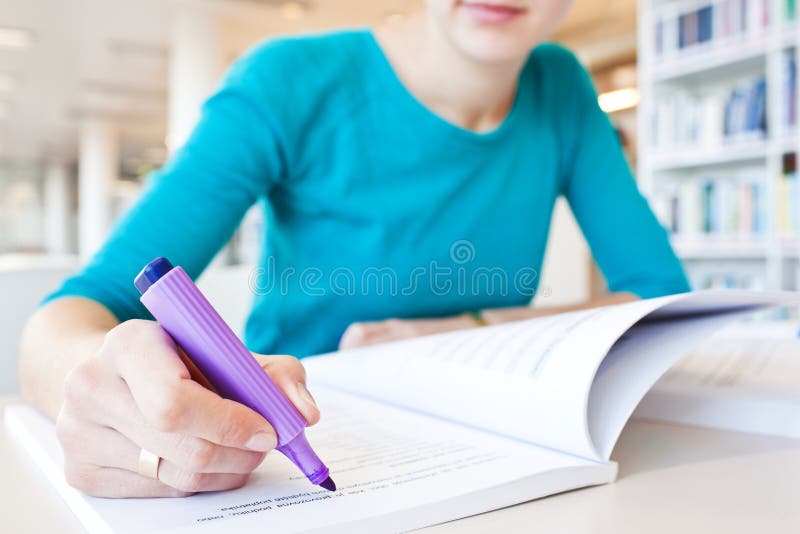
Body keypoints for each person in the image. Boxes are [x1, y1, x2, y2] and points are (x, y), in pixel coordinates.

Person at [18, 0, 689, 498]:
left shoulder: (561, 87)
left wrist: (466, 327)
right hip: (296, 443)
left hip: (489, 440)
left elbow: (661, 294)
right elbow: (74, 314)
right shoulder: (288, 81)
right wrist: (101, 395)